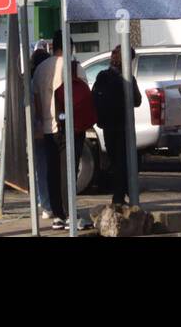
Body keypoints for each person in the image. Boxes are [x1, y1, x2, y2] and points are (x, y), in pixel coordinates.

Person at [32, 30, 88, 230]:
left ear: (52, 46)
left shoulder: (40, 69)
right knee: (69, 171)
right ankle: (69, 214)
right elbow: (83, 97)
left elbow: (37, 101)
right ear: (70, 48)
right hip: (70, 127)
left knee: (53, 171)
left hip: (48, 128)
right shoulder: (74, 67)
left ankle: (57, 215)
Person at [91, 45, 142, 206]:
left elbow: (94, 97)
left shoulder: (103, 76)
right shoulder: (126, 79)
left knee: (116, 162)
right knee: (123, 162)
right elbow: (137, 100)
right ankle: (120, 196)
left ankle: (119, 196)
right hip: (122, 126)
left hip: (108, 125)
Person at [29, 43, 55, 220]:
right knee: (51, 169)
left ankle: (44, 203)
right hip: (52, 127)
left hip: (38, 128)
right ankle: (47, 203)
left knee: (41, 168)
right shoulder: (50, 76)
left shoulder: (32, 80)